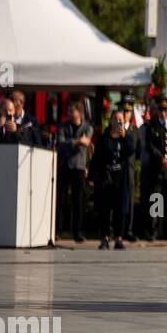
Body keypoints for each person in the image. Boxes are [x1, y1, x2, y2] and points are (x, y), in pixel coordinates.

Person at [141, 96, 167, 241]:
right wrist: (162, 160)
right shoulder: (152, 127)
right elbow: (150, 146)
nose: (164, 113)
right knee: (156, 200)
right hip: (157, 169)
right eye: (161, 109)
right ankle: (152, 230)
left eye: (166, 110)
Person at [89, 111, 132, 250]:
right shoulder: (103, 138)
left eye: (121, 120)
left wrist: (124, 137)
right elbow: (96, 159)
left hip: (120, 180)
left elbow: (131, 151)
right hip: (106, 179)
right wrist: (91, 176)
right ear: (111, 121)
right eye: (116, 119)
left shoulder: (126, 137)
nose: (118, 122)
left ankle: (119, 238)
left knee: (120, 211)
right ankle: (105, 238)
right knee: (105, 210)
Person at [56, 101, 93, 243]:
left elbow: (87, 141)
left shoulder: (87, 127)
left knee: (78, 201)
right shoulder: (63, 126)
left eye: (72, 111)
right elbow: (61, 143)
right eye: (69, 111)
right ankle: (58, 230)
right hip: (65, 166)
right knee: (61, 199)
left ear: (79, 112)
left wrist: (71, 142)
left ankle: (77, 231)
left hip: (78, 167)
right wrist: (78, 141)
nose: (70, 114)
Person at [118, 96, 141, 242]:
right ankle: (116, 229)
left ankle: (128, 229)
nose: (126, 115)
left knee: (129, 201)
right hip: (116, 169)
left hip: (130, 169)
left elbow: (137, 150)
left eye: (129, 112)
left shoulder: (134, 130)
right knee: (116, 200)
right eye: (124, 111)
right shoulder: (114, 127)